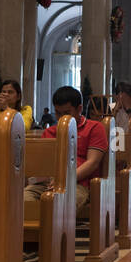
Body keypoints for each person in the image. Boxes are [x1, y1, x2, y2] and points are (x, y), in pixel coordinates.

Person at [29, 85, 108, 222]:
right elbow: (44, 163)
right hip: (48, 183)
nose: (61, 118)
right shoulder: (50, 132)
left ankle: (55, 241)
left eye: (66, 113)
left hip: (77, 184)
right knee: (23, 200)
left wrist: (65, 179)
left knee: (62, 207)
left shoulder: (95, 128)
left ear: (79, 109)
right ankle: (29, 241)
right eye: (58, 113)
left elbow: (92, 163)